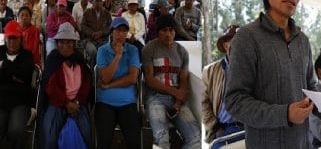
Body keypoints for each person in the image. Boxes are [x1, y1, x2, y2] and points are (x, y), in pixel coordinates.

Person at [224, 0, 316, 148]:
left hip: (303, 143)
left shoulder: (303, 41)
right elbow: (235, 101)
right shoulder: (247, 37)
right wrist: (285, 114)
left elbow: (311, 87)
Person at [142, 15, 201, 148]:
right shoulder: (149, 49)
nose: (168, 34)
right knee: (162, 139)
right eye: (164, 30)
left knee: (196, 139)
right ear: (158, 32)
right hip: (155, 97)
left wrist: (178, 103)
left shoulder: (182, 52)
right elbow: (150, 80)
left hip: (177, 100)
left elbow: (184, 80)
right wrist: (176, 92)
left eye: (171, 30)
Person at [0, 20, 34, 149]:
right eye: (9, 38)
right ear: (5, 39)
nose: (12, 42)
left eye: (15, 38)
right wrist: (13, 76)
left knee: (16, 131)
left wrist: (5, 65)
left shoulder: (27, 56)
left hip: (20, 103)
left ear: (20, 38)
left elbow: (25, 75)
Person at [41, 22, 92, 149]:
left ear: (74, 44)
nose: (65, 46)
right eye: (62, 43)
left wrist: (77, 102)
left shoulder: (79, 59)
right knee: (50, 137)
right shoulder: (53, 59)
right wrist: (67, 103)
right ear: (57, 44)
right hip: (57, 103)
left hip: (78, 103)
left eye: (69, 43)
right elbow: (51, 88)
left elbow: (86, 85)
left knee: (86, 134)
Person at [95, 17, 142, 149]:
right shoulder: (102, 50)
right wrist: (118, 56)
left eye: (124, 31)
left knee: (134, 142)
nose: (121, 34)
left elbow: (132, 78)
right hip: (105, 102)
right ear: (111, 32)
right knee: (104, 142)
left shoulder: (133, 50)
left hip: (127, 102)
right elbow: (105, 78)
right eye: (118, 30)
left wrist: (109, 85)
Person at [203, 25, 243, 147]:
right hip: (222, 130)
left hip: (249, 128)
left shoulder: (254, 70)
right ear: (226, 45)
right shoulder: (210, 71)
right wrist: (215, 127)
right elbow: (203, 102)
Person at [80, 0, 112, 66]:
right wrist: (92, 33)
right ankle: (92, 72)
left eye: (99, 1)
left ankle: (102, 72)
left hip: (103, 40)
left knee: (105, 52)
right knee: (93, 51)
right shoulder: (87, 12)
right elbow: (83, 26)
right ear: (92, 2)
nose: (97, 3)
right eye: (96, 1)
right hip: (90, 40)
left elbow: (110, 27)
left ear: (102, 2)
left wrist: (101, 33)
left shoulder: (107, 14)